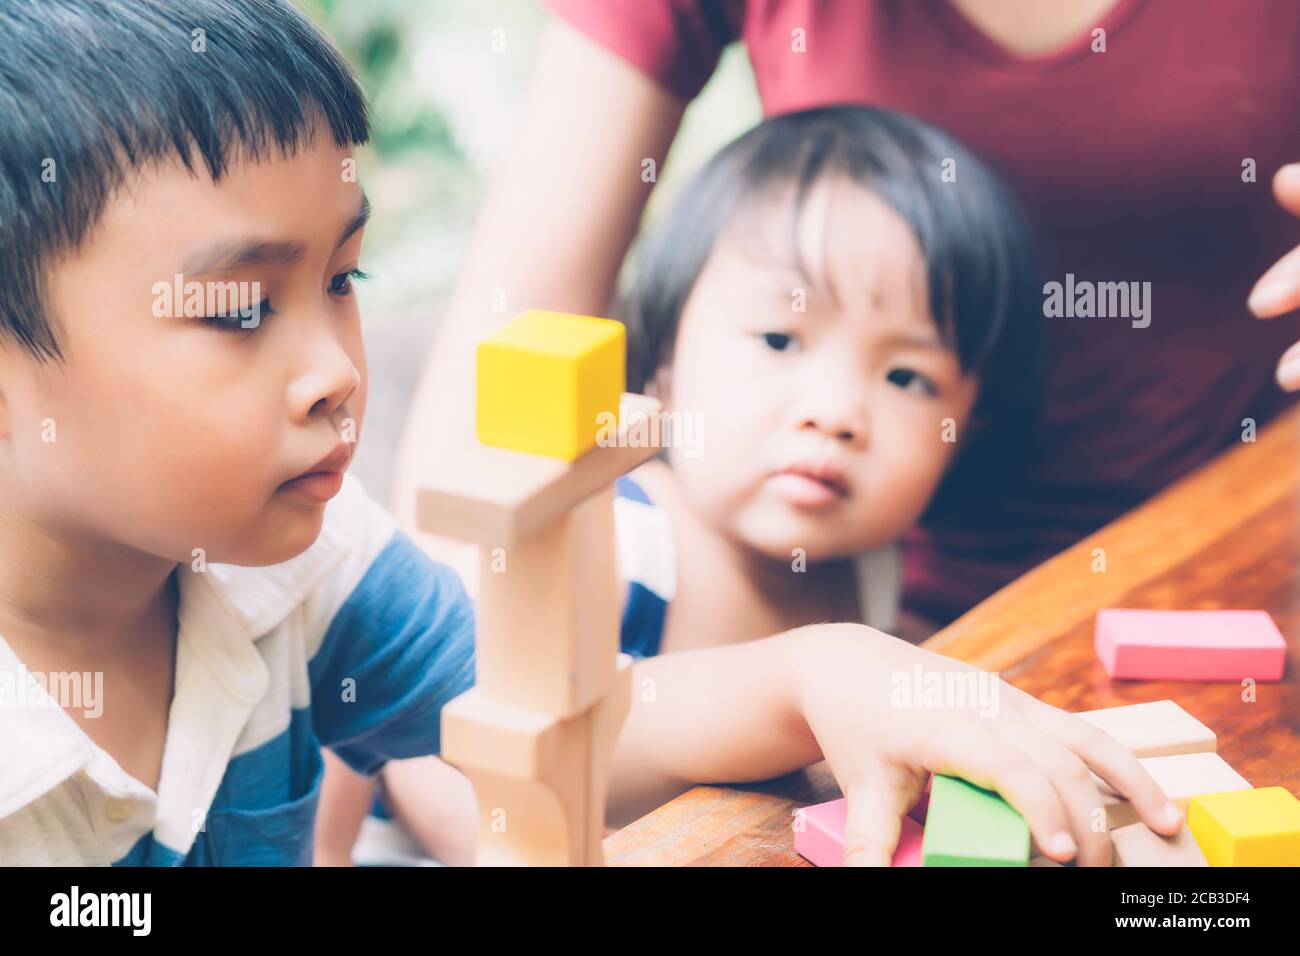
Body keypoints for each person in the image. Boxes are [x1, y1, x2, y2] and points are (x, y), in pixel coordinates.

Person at [0, 0, 1179, 868]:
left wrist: (835, 669)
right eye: (241, 311)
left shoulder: (321, 566)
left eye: (345, 280)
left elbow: (568, 724)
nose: (332, 371)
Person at [392, 0, 1300, 632]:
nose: (834, 408)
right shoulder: (631, 553)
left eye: (906, 375)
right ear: (659, 361)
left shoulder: (848, 584)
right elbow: (493, 390)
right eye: (782, 338)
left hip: (1245, 572)